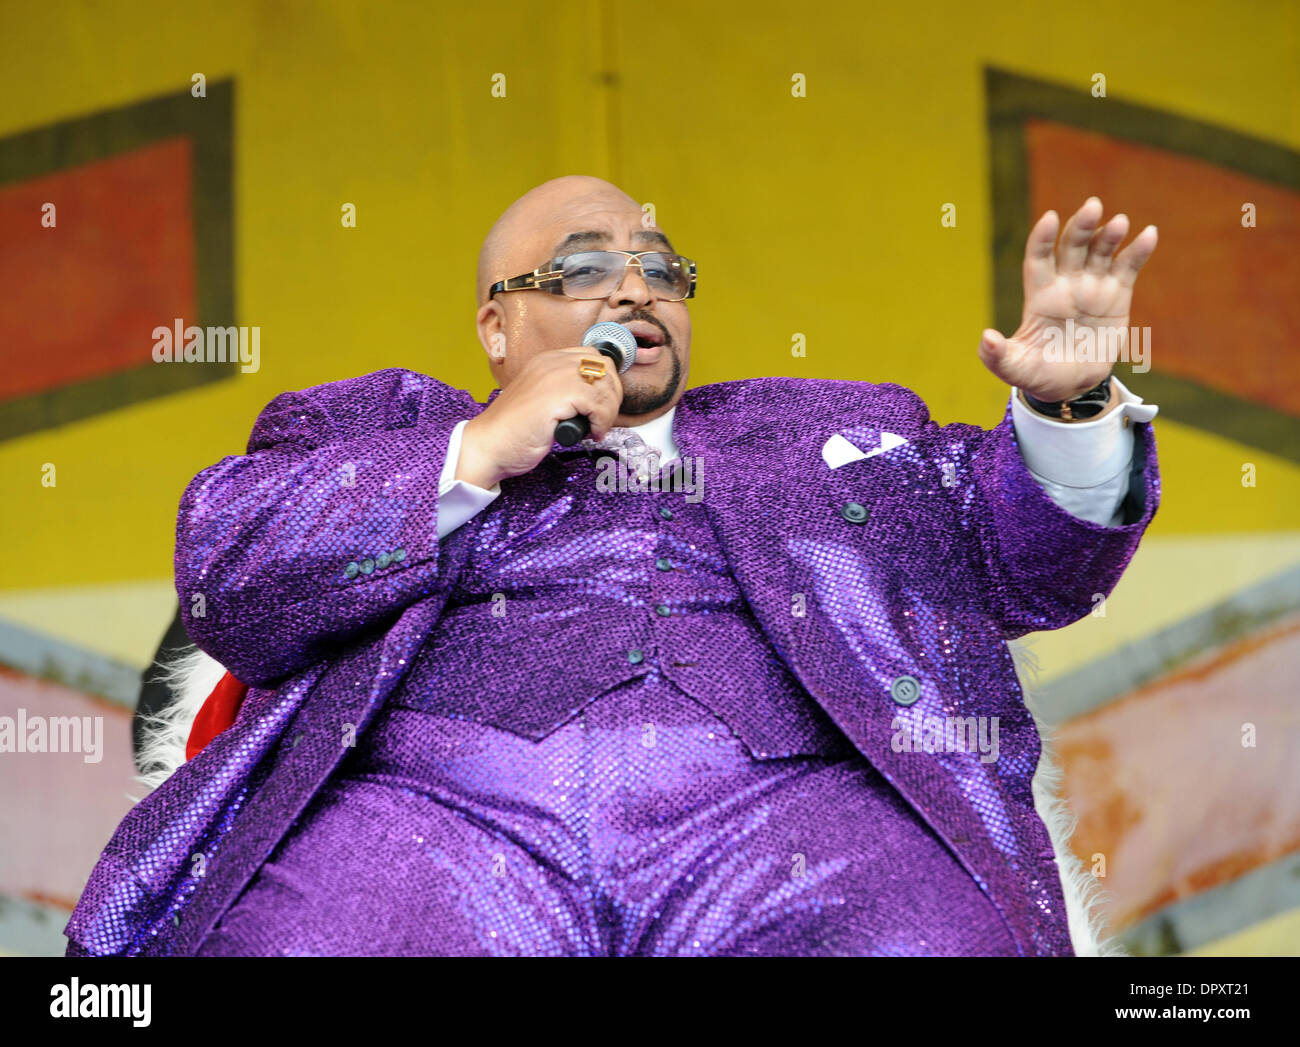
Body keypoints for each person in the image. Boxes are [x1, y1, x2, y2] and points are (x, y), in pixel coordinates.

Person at [66, 175, 1160, 956]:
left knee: (931, 936)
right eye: (587, 268)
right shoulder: (380, 421)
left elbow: (1031, 563)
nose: (636, 290)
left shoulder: (836, 431)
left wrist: (1064, 405)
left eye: (660, 271)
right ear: (497, 326)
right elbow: (229, 570)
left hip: (792, 816)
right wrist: (481, 448)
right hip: (436, 820)